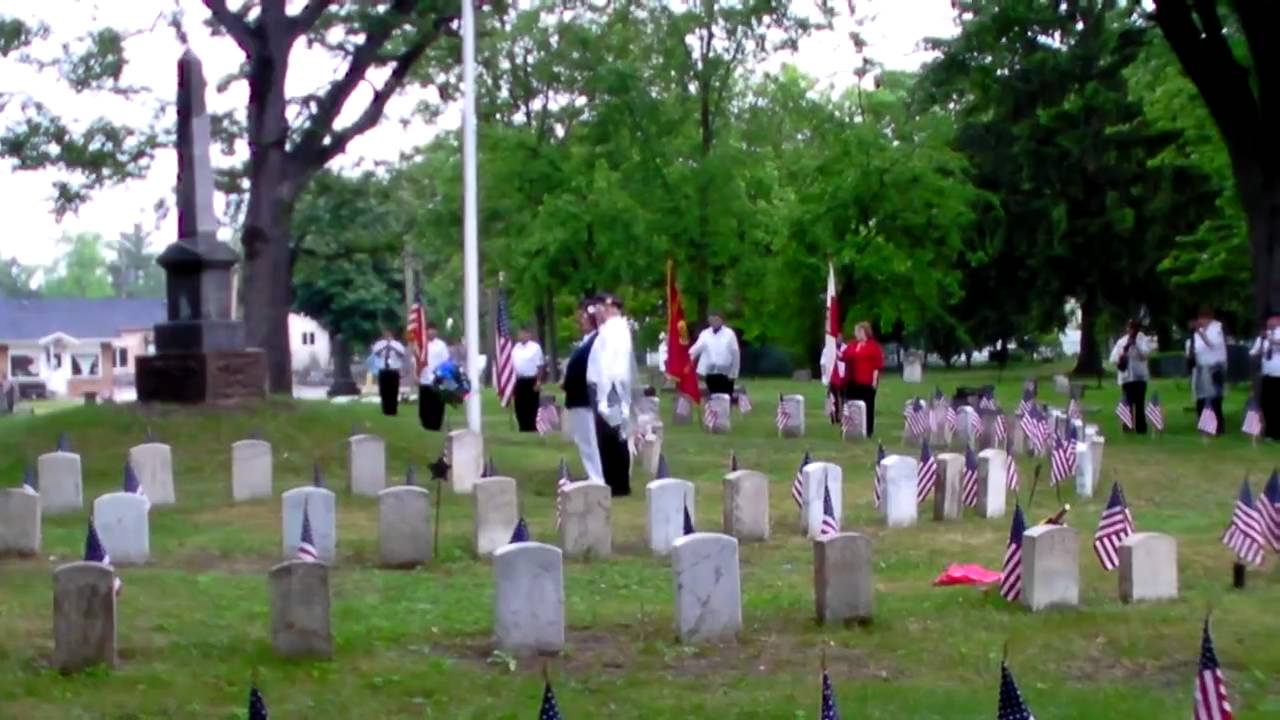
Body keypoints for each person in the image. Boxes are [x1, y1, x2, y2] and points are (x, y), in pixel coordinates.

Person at [588, 292, 637, 497]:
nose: (598, 312)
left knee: (613, 436)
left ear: (612, 308)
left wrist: (605, 395)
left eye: (602, 307)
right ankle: (611, 479)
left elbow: (612, 364)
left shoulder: (616, 329)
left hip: (611, 389)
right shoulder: (608, 329)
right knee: (608, 437)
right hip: (605, 387)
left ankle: (618, 484)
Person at [563, 297, 603, 484]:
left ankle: (597, 477)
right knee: (584, 440)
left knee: (590, 440)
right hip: (577, 397)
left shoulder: (598, 340)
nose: (580, 321)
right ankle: (592, 474)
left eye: (584, 317)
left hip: (586, 397)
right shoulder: (587, 340)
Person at [839, 322, 885, 436]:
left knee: (868, 406)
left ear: (864, 332)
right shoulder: (852, 345)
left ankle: (868, 430)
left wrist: (874, 381)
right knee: (850, 404)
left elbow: (877, 365)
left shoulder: (873, 346)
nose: (856, 334)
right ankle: (850, 427)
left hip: (867, 381)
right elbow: (843, 356)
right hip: (852, 380)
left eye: (858, 331)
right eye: (856, 331)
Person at [1187, 307, 1227, 435]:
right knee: (1201, 398)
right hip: (1200, 367)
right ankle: (1204, 424)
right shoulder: (1198, 332)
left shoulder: (1217, 329)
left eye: (1202, 319)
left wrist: (1199, 332)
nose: (1200, 322)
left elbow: (1212, 344)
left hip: (1214, 367)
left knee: (1215, 398)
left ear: (1208, 319)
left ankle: (1218, 426)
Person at [1109, 319, 1151, 434]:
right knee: (1127, 402)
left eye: (1133, 328)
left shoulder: (1143, 340)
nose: (1131, 330)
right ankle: (1127, 426)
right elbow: (1113, 358)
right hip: (1126, 377)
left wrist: (1135, 345)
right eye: (1129, 328)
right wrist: (1123, 353)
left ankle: (1141, 428)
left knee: (1139, 403)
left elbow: (1145, 355)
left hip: (1139, 376)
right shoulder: (1122, 341)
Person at [689, 311, 740, 399]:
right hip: (710, 371)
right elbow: (696, 348)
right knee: (713, 396)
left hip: (725, 372)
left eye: (716, 320)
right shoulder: (705, 334)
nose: (714, 322)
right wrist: (686, 358)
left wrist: (734, 372)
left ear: (721, 320)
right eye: (711, 320)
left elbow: (735, 353)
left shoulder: (729, 334)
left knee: (726, 397)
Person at [1249, 312, 1280, 441]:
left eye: (1273, 320)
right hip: (1267, 374)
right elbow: (1252, 353)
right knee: (1267, 404)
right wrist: (1260, 348)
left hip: (1278, 374)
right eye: (1268, 320)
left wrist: (1270, 339)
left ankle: (1277, 433)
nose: (1270, 323)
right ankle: (1269, 432)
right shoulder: (1262, 336)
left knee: (1277, 404)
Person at [415, 322, 451, 431]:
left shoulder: (441, 345)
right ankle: (426, 424)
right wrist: (415, 375)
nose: (431, 332)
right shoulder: (421, 344)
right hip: (424, 378)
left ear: (436, 331)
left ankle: (436, 425)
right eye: (429, 330)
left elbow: (446, 361)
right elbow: (415, 360)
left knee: (437, 404)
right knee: (425, 403)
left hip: (437, 378)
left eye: (433, 330)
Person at [511, 327, 546, 432]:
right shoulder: (515, 348)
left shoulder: (535, 348)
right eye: (519, 334)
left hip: (532, 379)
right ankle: (523, 426)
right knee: (519, 404)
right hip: (519, 380)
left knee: (531, 404)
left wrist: (538, 381)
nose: (521, 336)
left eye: (523, 334)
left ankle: (531, 426)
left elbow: (540, 366)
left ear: (528, 335)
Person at [369, 329, 407, 416]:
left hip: (394, 370)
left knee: (393, 390)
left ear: (392, 334)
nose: (387, 335)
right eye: (386, 333)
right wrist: (385, 347)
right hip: (383, 369)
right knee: (384, 391)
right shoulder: (379, 344)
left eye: (389, 334)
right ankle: (385, 410)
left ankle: (393, 410)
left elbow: (401, 354)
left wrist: (393, 348)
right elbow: (376, 353)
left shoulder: (397, 344)